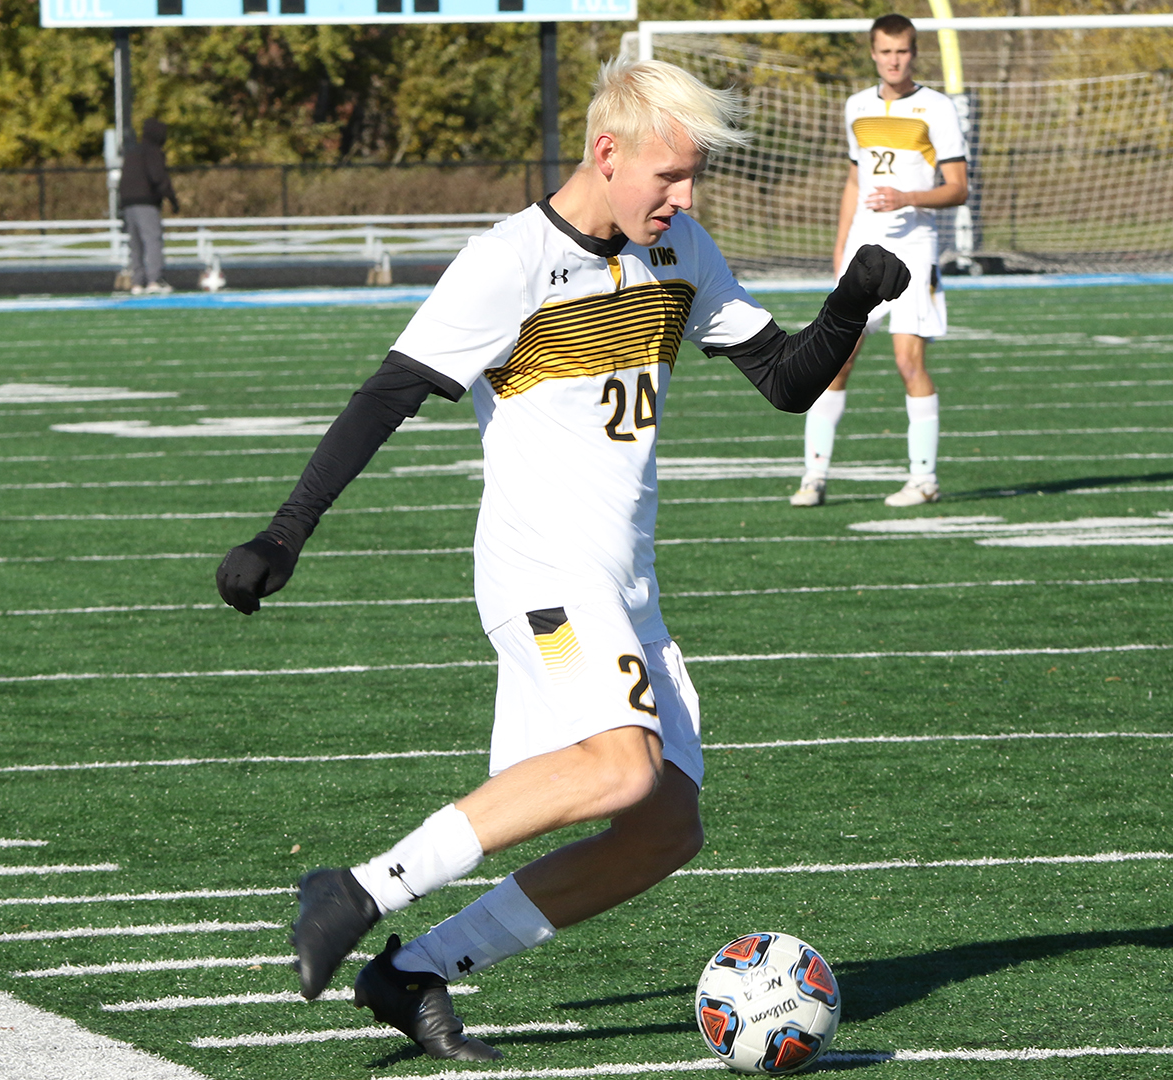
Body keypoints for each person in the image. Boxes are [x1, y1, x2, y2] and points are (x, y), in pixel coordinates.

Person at [214, 58, 909, 1061]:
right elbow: (387, 393)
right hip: (543, 570)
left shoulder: (680, 250)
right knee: (623, 766)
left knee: (666, 829)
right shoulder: (511, 260)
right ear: (606, 152)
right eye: (668, 176)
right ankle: (361, 890)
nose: (685, 196)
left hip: (626, 586)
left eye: (694, 177)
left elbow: (784, 380)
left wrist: (851, 303)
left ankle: (415, 973)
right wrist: (285, 532)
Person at [790, 13, 968, 509]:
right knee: (837, 359)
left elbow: (958, 189)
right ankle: (814, 476)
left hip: (914, 251)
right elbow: (854, 181)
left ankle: (924, 480)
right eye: (886, 51)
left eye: (903, 51)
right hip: (862, 252)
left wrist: (907, 197)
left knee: (908, 361)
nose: (894, 60)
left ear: (914, 54)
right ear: (873, 53)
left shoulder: (937, 108)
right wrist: (839, 246)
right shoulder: (856, 107)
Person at [119, 118, 180, 296]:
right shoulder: (153, 152)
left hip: (128, 203)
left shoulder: (132, 152)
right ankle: (155, 279)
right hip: (146, 202)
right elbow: (159, 178)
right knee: (152, 240)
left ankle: (137, 281)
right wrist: (172, 199)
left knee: (135, 243)